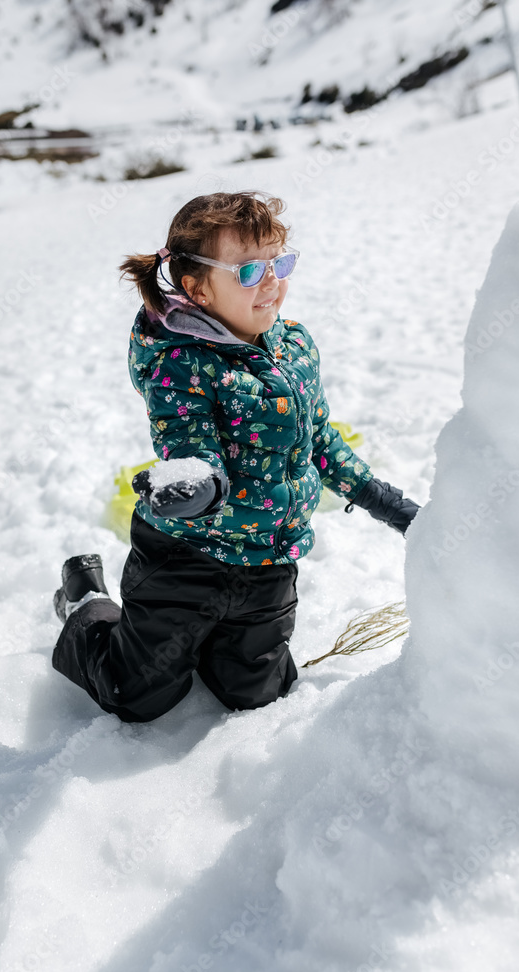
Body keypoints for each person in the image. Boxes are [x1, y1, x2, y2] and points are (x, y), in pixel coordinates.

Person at [51, 190, 419, 723]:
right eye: (249, 271)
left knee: (257, 696)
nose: (271, 281)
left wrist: (387, 503)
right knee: (136, 694)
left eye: (279, 263)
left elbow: (320, 438)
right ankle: (86, 600)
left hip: (268, 563)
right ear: (197, 288)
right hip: (185, 561)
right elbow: (188, 439)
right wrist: (197, 484)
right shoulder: (181, 363)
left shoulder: (295, 348)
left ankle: (213, 646)